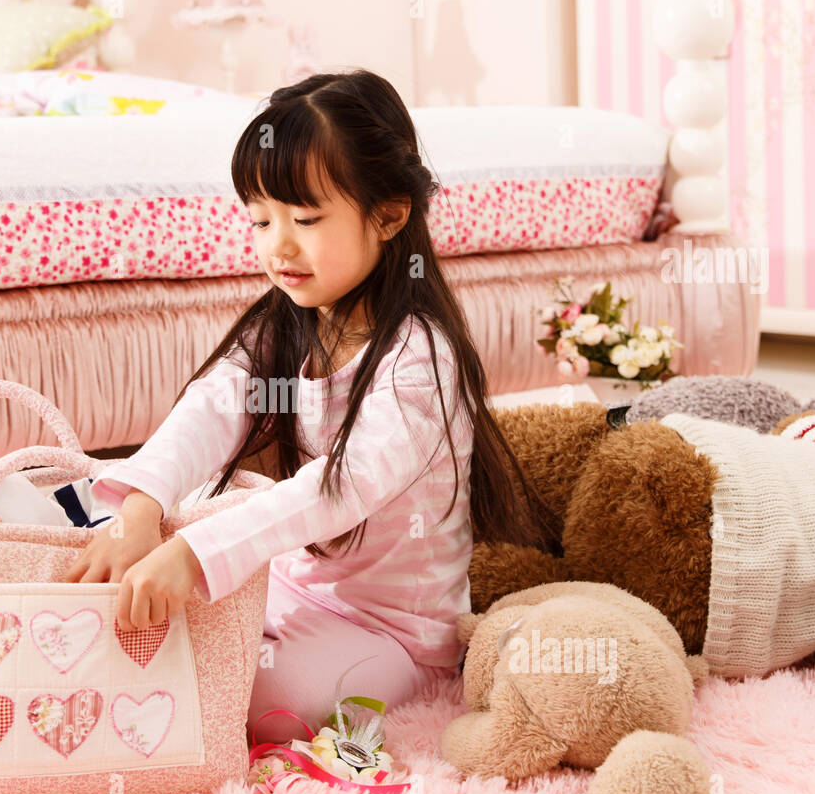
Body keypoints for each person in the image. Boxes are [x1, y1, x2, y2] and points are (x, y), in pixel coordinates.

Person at [65, 69, 555, 743]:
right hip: (287, 593)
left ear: (389, 215)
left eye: (305, 219)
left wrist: (193, 554)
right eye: (261, 220)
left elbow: (342, 486)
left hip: (393, 635)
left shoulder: (420, 358)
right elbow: (212, 407)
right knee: (126, 599)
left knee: (269, 698)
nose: (279, 246)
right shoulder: (289, 323)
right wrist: (143, 506)